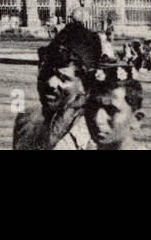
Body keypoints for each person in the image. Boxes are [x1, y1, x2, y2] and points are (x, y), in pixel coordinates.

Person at [13, 21, 101, 149]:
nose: (50, 83)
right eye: (47, 72)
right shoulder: (27, 120)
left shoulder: (97, 134)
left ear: (85, 86)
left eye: (63, 78)